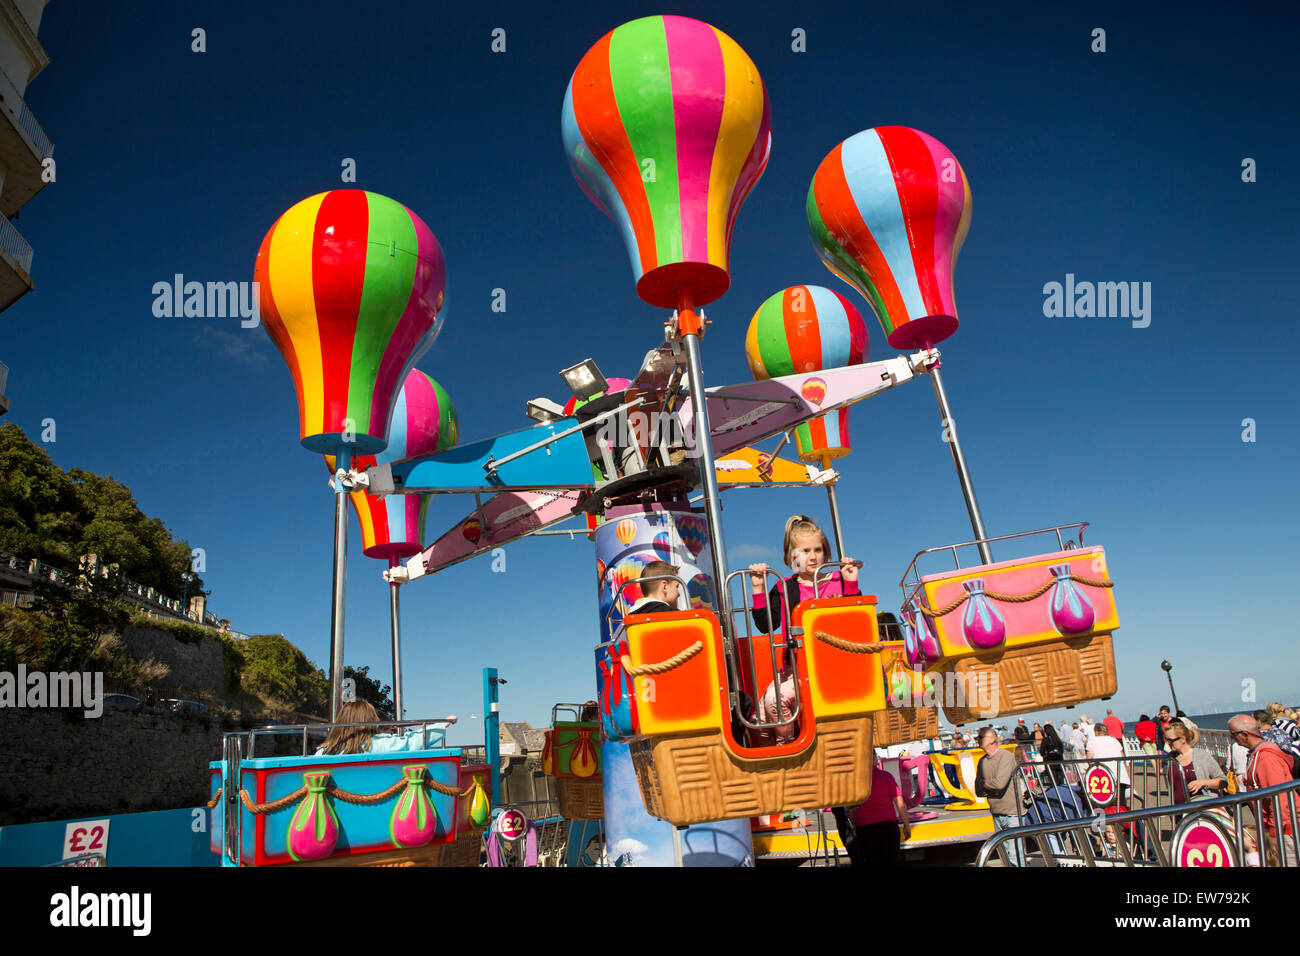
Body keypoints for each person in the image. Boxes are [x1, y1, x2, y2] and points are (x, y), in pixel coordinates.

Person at [747, 515, 860, 744]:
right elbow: (765, 625)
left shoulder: (838, 579)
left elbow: (856, 620)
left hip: (831, 664)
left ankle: (789, 747)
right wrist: (758, 587)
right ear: (792, 557)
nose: (813, 556)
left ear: (825, 552)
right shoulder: (785, 587)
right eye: (805, 551)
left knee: (774, 702)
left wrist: (851, 583)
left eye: (817, 550)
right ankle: (772, 759)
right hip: (797, 667)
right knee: (758, 717)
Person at [1230, 714, 1298, 866]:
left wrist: (1274, 834)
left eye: (1233, 735)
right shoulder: (1257, 755)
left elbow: (1279, 798)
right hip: (1281, 827)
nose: (1232, 739)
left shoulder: (1267, 758)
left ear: (1244, 734)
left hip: (1286, 828)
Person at [317, 700, 456, 755]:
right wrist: (443, 724)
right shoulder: (379, 744)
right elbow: (412, 742)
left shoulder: (323, 752)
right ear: (370, 720)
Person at [974, 726, 1023, 866]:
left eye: (980, 737)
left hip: (1011, 813)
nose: (978, 740)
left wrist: (985, 784)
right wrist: (988, 785)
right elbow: (978, 790)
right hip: (996, 813)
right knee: (1005, 855)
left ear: (992, 739)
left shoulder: (1005, 757)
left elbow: (999, 784)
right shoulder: (982, 761)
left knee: (1015, 855)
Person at [848, 764, 912, 867]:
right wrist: (907, 826)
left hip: (865, 828)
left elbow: (850, 810)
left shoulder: (853, 781)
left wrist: (856, 827)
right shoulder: (886, 776)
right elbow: (900, 804)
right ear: (874, 759)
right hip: (888, 827)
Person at [1163, 720, 1226, 802]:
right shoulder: (1168, 760)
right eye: (1166, 740)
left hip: (1203, 809)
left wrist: (1203, 782)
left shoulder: (1202, 756)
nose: (1168, 743)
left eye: (1170, 740)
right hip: (1179, 811)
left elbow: (1223, 781)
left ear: (1183, 739)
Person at [1086, 722, 1131, 806]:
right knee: (1121, 803)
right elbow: (1122, 756)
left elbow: (1089, 760)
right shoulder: (1114, 740)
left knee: (1106, 804)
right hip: (1120, 775)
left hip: (1103, 776)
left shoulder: (1092, 742)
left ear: (1096, 732)